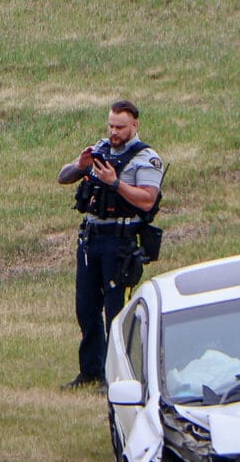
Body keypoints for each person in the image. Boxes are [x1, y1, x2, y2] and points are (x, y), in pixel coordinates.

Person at [57, 100, 164, 390]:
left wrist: (115, 183)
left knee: (117, 312)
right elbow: (62, 177)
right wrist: (80, 165)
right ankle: (90, 370)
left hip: (120, 241)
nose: (114, 132)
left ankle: (118, 375)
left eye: (120, 127)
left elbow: (147, 200)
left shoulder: (147, 159)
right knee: (86, 308)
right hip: (91, 239)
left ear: (135, 125)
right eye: (111, 126)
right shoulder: (100, 149)